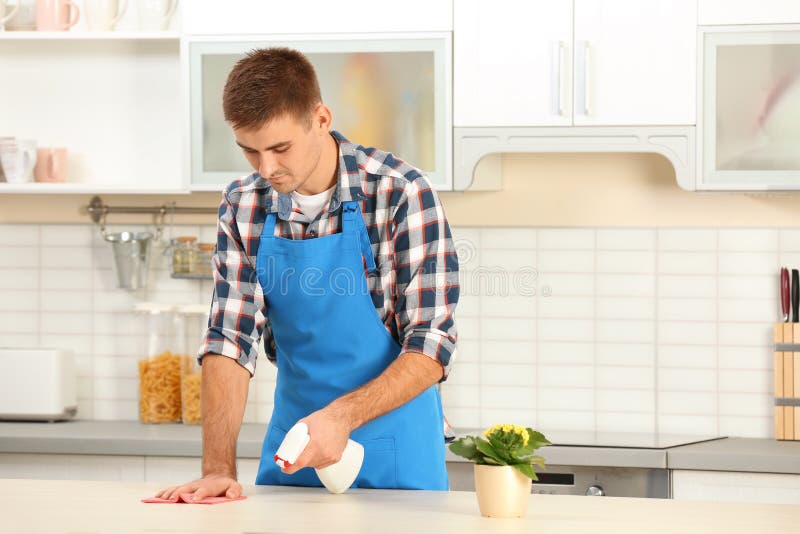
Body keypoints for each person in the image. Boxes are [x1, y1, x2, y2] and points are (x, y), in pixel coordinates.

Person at [156, 47, 459, 500]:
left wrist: (339, 418)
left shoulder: (399, 193)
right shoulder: (244, 204)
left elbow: (431, 347)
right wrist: (218, 468)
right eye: (250, 151)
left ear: (320, 118)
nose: (267, 169)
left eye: (280, 148)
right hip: (295, 449)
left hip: (398, 452)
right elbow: (228, 339)